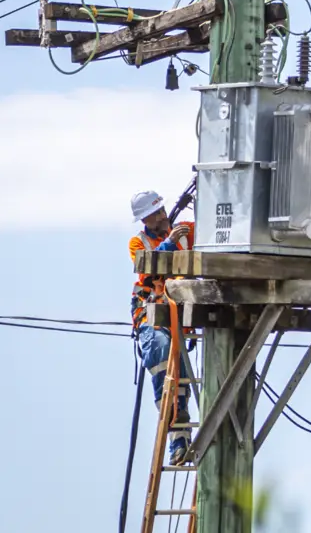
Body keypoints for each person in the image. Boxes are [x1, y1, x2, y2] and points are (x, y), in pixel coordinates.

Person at [128, 190, 196, 466]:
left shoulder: (184, 232)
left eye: (162, 210)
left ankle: (180, 440)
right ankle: (174, 426)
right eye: (155, 214)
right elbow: (146, 268)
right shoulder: (139, 242)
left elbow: (211, 231)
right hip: (151, 311)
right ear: (145, 219)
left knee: (181, 372)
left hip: (178, 311)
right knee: (161, 352)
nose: (162, 216)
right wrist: (169, 243)